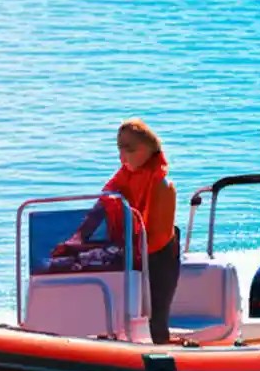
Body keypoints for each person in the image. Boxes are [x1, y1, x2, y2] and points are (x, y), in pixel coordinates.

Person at [61, 118, 181, 344]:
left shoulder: (163, 185)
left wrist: (128, 251)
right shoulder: (124, 176)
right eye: (119, 149)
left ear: (148, 151)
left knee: (155, 319)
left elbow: (159, 238)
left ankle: (162, 360)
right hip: (130, 251)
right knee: (112, 310)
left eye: (129, 150)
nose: (122, 157)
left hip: (159, 257)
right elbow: (102, 205)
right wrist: (78, 239)